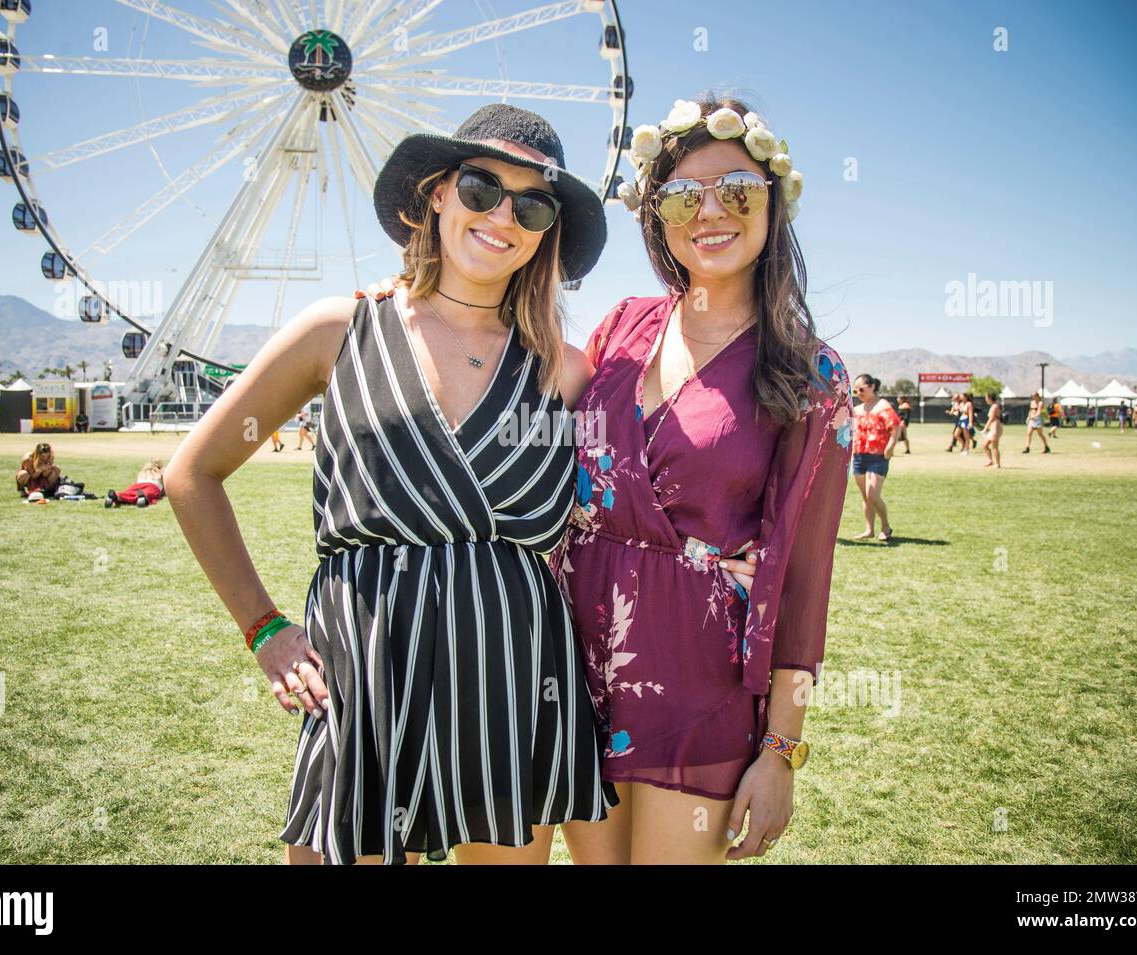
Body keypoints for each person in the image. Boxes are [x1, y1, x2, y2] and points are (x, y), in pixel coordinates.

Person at [164, 104, 622, 865]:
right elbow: (192, 473)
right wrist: (263, 625)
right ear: (438, 193)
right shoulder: (339, 330)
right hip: (364, 674)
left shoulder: (565, 370)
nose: (503, 215)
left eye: (532, 204)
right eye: (481, 187)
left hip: (513, 678)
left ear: (547, 230)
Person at [548, 95, 852, 863]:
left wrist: (781, 749)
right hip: (575, 665)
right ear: (658, 214)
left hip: (702, 686)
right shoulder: (619, 325)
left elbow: (805, 583)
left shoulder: (812, 376)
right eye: (683, 194)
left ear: (773, 207)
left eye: (738, 190)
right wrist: (411, 302)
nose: (710, 211)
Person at [848, 374, 899, 539]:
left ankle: (886, 527)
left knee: (872, 494)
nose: (858, 393)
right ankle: (869, 529)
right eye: (855, 391)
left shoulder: (882, 406)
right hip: (859, 456)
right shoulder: (857, 410)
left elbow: (895, 427)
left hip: (877, 457)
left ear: (872, 387)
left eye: (861, 389)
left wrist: (890, 447)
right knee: (866, 496)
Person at [980, 392, 1003, 468]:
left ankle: (997, 464)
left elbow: (991, 418)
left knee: (994, 446)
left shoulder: (995, 406)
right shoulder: (993, 406)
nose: (985, 399)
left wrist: (985, 429)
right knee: (984, 445)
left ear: (990, 398)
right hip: (993, 428)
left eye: (986, 397)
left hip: (996, 428)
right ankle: (990, 461)